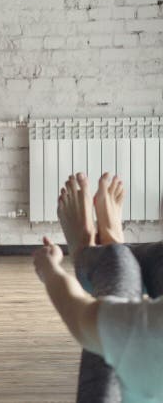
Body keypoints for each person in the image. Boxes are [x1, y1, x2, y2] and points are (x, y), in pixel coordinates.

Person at [33, 172, 163, 403]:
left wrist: (49, 268)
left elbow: (79, 317)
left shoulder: (151, 330)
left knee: (117, 268)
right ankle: (111, 244)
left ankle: (96, 250)